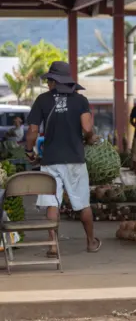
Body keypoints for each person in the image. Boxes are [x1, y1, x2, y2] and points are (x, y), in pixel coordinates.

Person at [25, 61, 100, 256]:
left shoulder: (42, 100)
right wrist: (91, 139)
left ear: (52, 81)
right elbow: (87, 128)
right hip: (75, 158)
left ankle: (52, 246)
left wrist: (29, 152)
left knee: (52, 202)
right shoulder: (80, 100)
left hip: (50, 160)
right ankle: (91, 242)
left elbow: (32, 131)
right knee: (82, 202)